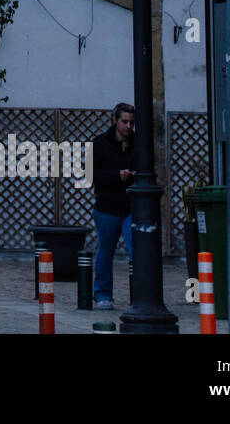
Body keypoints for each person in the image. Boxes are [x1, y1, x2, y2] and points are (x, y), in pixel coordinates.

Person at [91, 102, 136, 309]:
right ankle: (102, 294)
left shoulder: (137, 143)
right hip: (107, 206)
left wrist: (134, 175)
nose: (128, 126)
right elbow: (92, 175)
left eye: (131, 122)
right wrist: (117, 175)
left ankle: (139, 295)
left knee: (136, 251)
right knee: (105, 251)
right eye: (125, 121)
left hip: (131, 206)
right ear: (115, 120)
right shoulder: (100, 144)